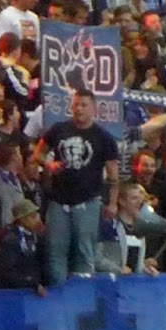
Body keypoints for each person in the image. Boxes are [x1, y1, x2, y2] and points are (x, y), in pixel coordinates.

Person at [35, 89, 122, 285]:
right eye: (75, 105)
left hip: (88, 201)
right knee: (55, 249)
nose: (79, 109)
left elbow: (113, 174)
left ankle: (82, 295)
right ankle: (58, 292)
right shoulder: (58, 130)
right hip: (59, 200)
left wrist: (113, 203)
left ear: (93, 108)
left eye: (83, 105)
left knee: (85, 251)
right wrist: (49, 164)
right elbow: (38, 153)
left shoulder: (104, 138)